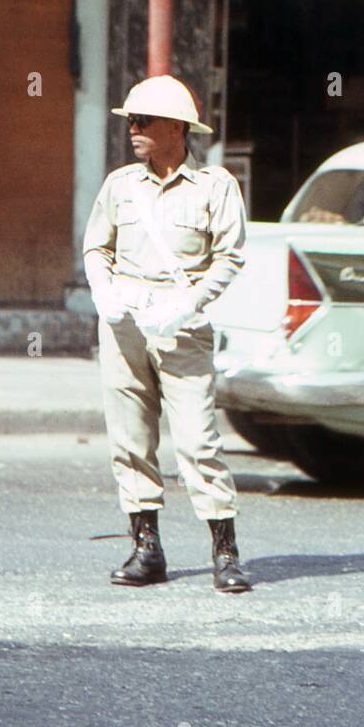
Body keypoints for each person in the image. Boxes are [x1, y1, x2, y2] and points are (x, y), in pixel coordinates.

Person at [82, 75, 252, 592]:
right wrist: (102, 292)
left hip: (182, 325)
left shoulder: (215, 187)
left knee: (199, 441)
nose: (132, 130)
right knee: (130, 438)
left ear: (177, 128)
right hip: (125, 322)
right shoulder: (120, 185)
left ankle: (225, 552)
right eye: (130, 121)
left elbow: (230, 256)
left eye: (143, 121)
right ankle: (145, 549)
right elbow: (97, 247)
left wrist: (188, 304)